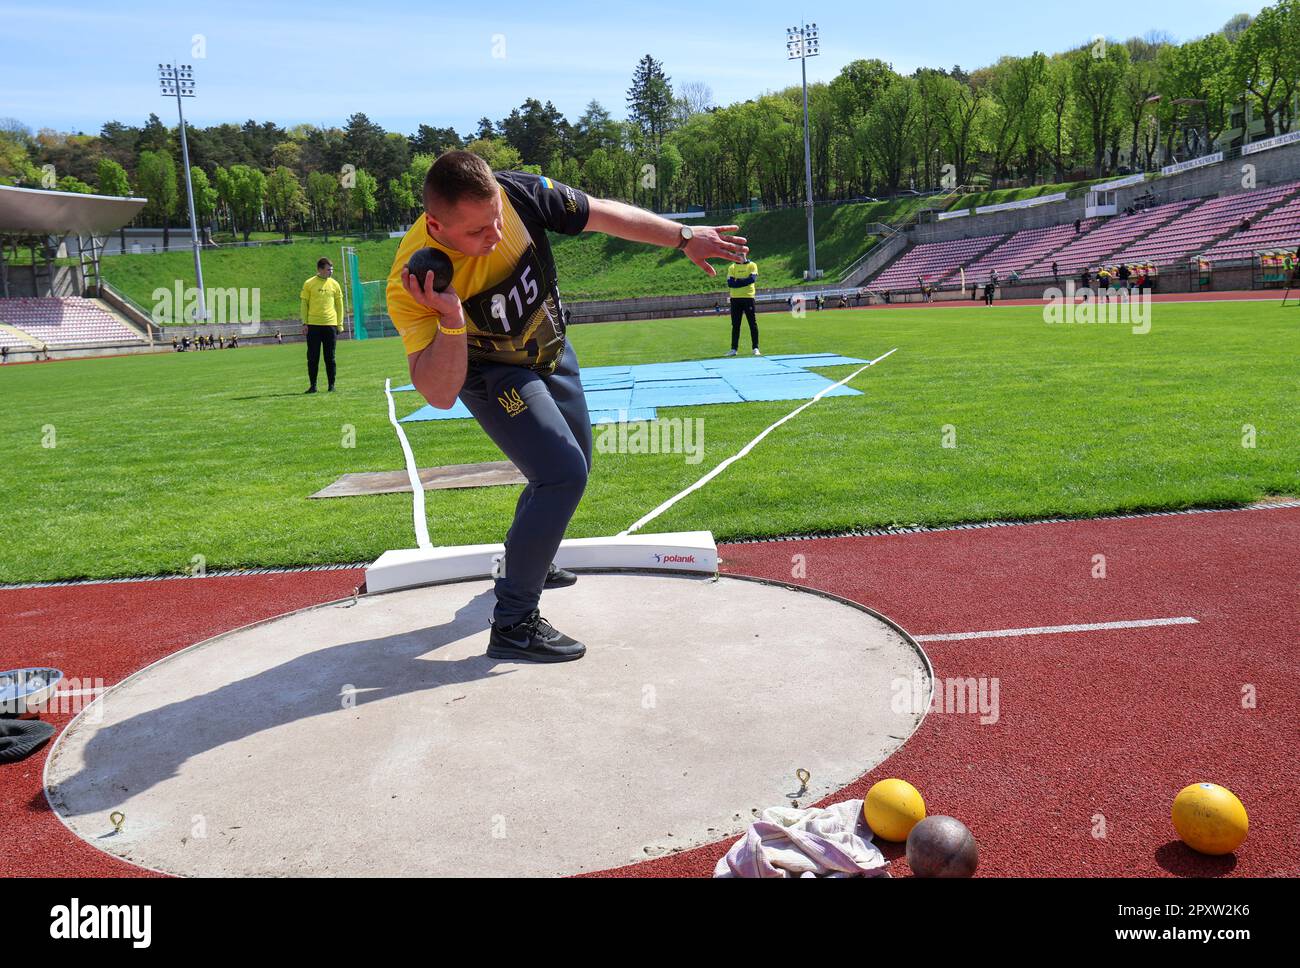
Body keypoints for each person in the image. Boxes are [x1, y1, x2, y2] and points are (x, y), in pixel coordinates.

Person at [387, 150, 747, 663]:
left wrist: (685, 237)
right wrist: (449, 317)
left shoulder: (518, 194)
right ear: (435, 226)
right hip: (493, 373)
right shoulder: (411, 280)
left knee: (574, 462)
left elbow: (601, 213)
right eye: (475, 233)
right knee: (561, 473)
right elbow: (438, 393)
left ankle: (525, 560)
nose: (493, 237)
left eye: (495, 222)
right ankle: (514, 623)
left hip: (551, 348)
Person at [300, 257, 345, 392]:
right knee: (313, 357)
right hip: (313, 325)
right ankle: (313, 386)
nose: (330, 272)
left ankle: (331, 386)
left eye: (331, 269)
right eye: (328, 269)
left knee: (330, 357)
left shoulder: (335, 285)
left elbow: (340, 305)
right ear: (319, 269)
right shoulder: (309, 283)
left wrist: (340, 324)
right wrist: (304, 323)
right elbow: (304, 304)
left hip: (330, 325)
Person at [726, 252, 760, 356]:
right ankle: (733, 349)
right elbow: (730, 283)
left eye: (742, 252)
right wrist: (744, 281)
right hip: (735, 299)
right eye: (738, 252)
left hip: (748, 297)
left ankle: (755, 348)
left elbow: (752, 279)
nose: (740, 254)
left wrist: (738, 281)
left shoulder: (752, 265)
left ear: (746, 253)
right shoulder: (732, 267)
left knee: (752, 324)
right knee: (735, 325)